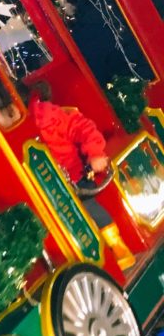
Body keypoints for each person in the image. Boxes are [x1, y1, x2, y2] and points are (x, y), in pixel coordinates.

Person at [25, 80, 135, 269]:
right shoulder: (24, 129)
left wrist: (94, 153)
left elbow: (82, 128)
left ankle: (117, 245)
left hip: (74, 177)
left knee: (89, 207)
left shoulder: (48, 116)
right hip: (50, 188)